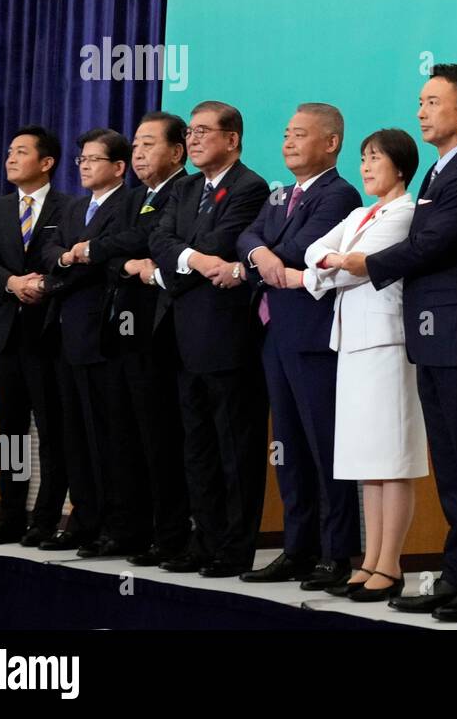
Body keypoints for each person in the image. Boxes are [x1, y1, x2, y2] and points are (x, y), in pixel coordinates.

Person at [343, 64, 457, 623]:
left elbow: (432, 246)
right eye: (419, 101)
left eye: (433, 101)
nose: (421, 112)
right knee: (454, 467)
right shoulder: (441, 172)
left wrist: (367, 263)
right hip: (434, 336)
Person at [236, 104, 362, 591]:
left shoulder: (340, 194)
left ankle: (335, 554)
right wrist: (260, 252)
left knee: (323, 447)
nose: (288, 142)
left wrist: (266, 251)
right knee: (287, 448)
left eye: (300, 135)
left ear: (330, 143)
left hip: (312, 339)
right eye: (286, 134)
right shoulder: (280, 193)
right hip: (275, 335)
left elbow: (303, 249)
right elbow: (250, 235)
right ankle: (297, 548)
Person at [299, 128, 423, 602]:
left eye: (376, 158)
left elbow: (362, 264)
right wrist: (334, 263)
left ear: (401, 168)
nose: (367, 166)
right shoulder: (356, 213)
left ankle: (391, 565)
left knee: (392, 459)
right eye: (364, 158)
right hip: (350, 343)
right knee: (366, 461)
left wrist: (332, 265)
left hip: (387, 343)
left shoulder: (406, 213)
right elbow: (315, 251)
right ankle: (370, 559)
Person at [148, 101, 270, 578]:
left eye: (203, 132)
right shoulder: (184, 188)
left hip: (229, 339)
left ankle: (235, 547)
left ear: (232, 139)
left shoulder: (251, 187)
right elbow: (160, 239)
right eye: (190, 132)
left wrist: (186, 255)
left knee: (234, 448)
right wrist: (195, 261)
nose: (193, 139)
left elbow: (223, 242)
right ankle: (206, 539)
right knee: (196, 447)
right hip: (182, 336)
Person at [79, 111, 191, 566]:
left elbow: (144, 238)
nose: (139, 153)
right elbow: (111, 251)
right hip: (122, 333)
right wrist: (127, 264)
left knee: (160, 439)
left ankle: (169, 536)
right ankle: (127, 528)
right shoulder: (135, 197)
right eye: (136, 145)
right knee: (123, 437)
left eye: (149, 144)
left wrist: (112, 252)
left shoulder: (184, 192)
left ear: (177, 151)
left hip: (162, 334)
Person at [0, 126, 70, 547]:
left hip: (50, 333)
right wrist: (13, 282)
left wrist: (43, 285)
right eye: (9, 151)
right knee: (9, 432)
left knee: (53, 431)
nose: (10, 158)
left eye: (21, 152)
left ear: (46, 163)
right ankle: (9, 516)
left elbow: (71, 263)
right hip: (7, 334)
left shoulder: (71, 207)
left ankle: (46, 520)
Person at [37, 128, 135, 556]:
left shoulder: (130, 203)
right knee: (73, 434)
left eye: (93, 159)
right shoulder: (74, 206)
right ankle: (83, 518)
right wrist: (66, 256)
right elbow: (48, 250)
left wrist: (76, 257)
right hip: (65, 332)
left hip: (105, 333)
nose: (84, 165)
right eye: (81, 159)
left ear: (118, 166)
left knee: (108, 435)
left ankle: (117, 525)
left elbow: (113, 257)